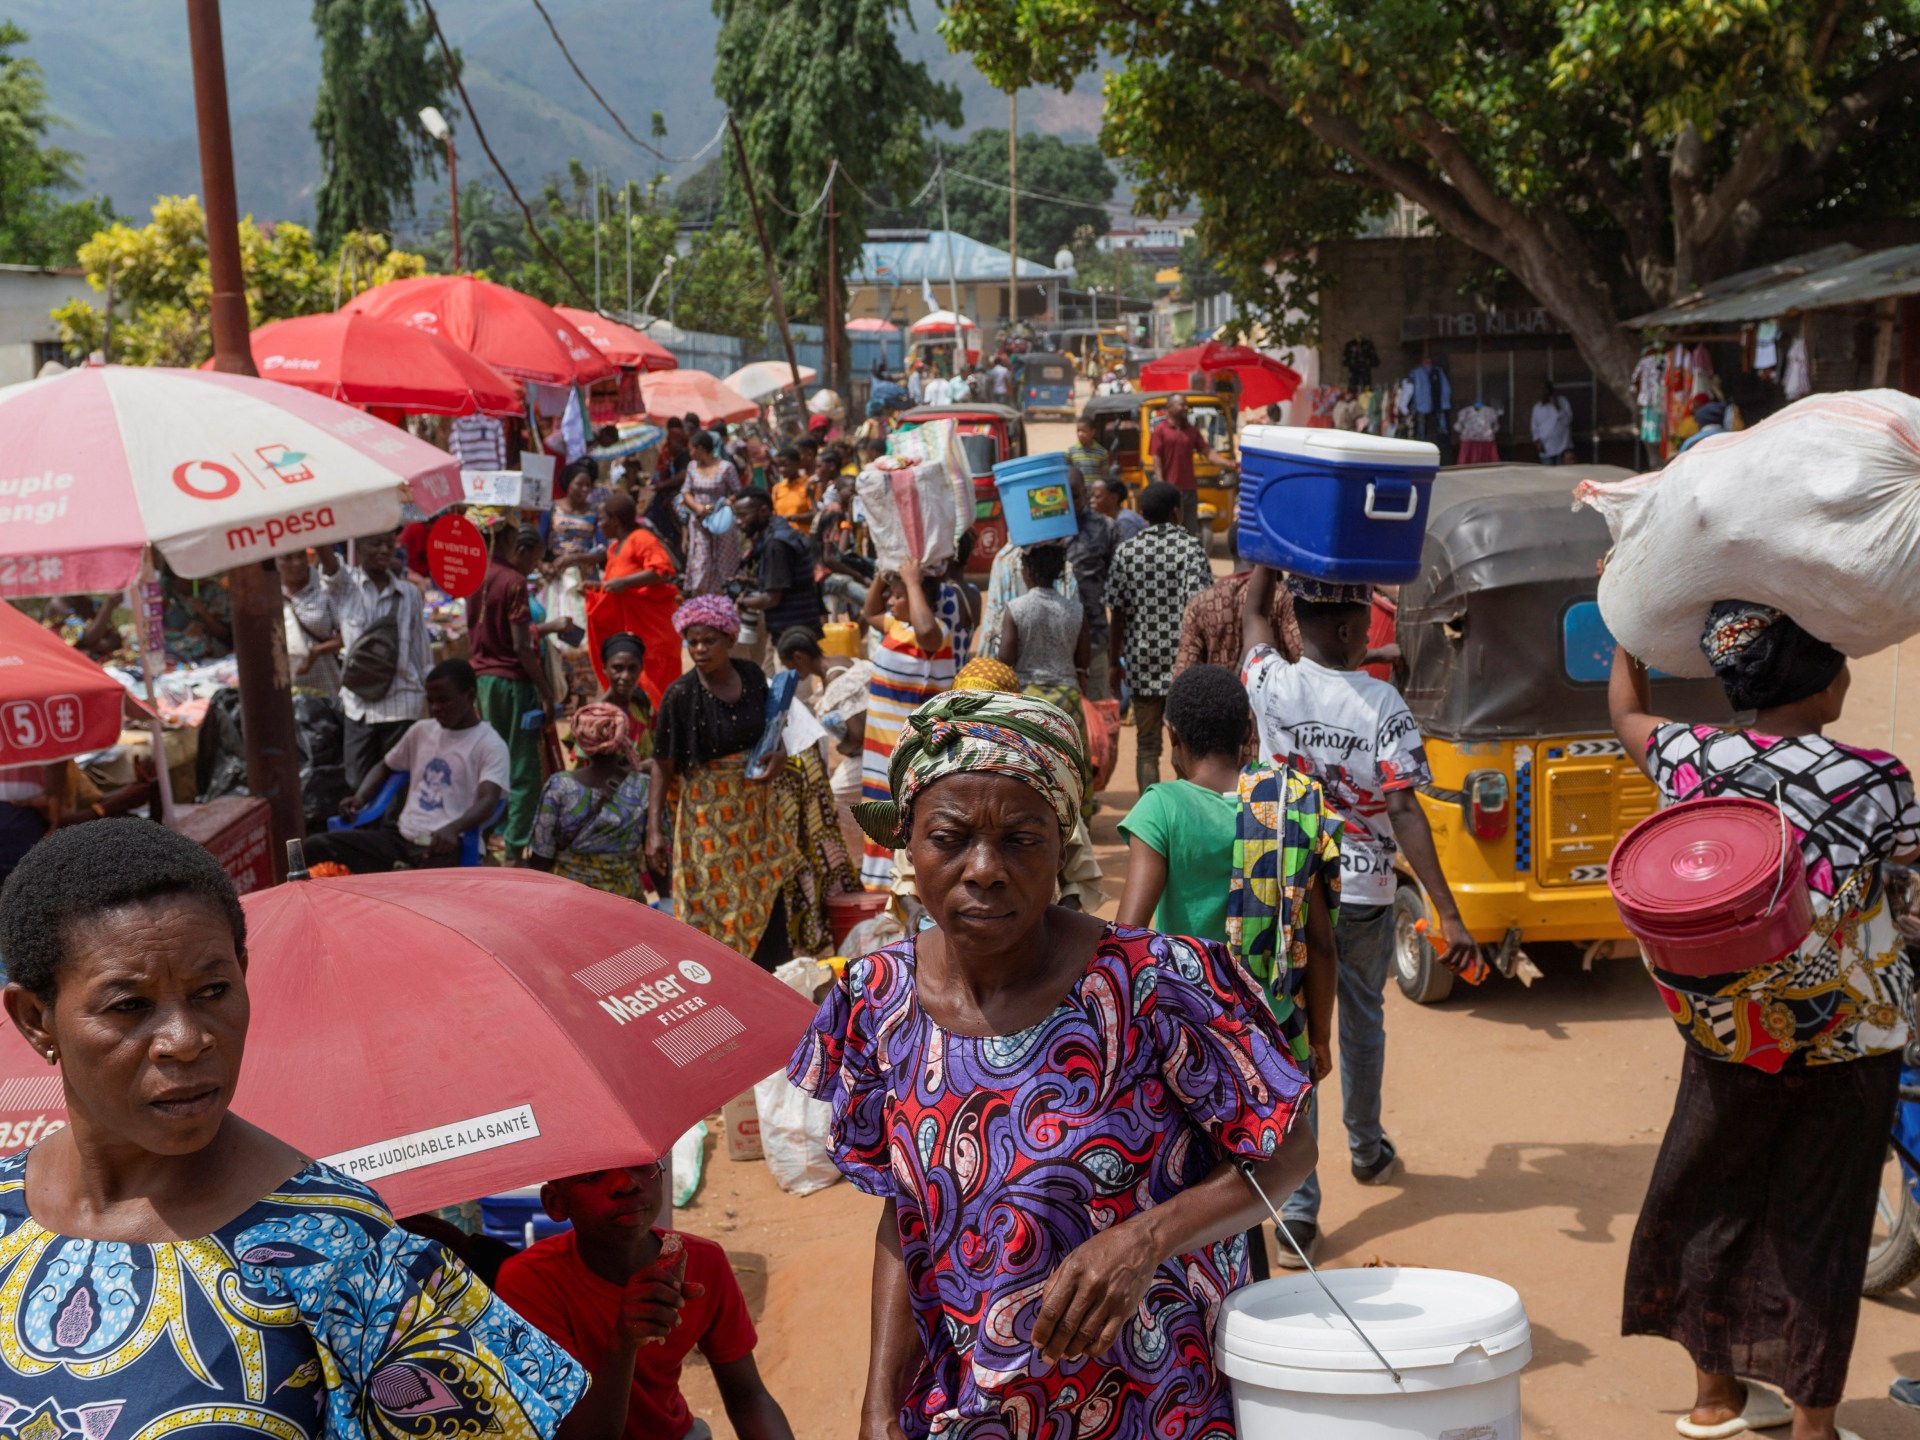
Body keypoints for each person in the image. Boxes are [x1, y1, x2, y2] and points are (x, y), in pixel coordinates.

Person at [791, 689, 1317, 1439]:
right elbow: (903, 1214)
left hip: (1154, 1405)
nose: (985, 870)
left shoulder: (1154, 984)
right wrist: (879, 1405)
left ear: (1062, 842)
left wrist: (1148, 1237)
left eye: (1021, 840)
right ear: (907, 841)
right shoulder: (877, 1001)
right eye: (951, 838)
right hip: (972, 1409)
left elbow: (1290, 1148)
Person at [0, 819, 587, 1435]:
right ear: (36, 1019)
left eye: (213, 990)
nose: (187, 1039)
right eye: (129, 1005)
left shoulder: (344, 1251)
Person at [1611, 602, 1919, 1440]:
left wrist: (1630, 628)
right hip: (1847, 1037)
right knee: (1824, 1221)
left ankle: (1715, 1398)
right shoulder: (1875, 777)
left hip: (1729, 1030)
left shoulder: (1692, 755)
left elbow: (1627, 713)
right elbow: (1910, 871)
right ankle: (1813, 1425)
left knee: (1716, 1198)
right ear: (1820, 681)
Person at [1241, 567, 1476, 1265]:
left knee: (1294, 1043)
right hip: (1363, 893)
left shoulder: (1268, 682)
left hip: (1283, 889)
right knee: (1361, 1017)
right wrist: (1447, 910)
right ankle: (1367, 1150)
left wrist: (1270, 551)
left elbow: (1254, 608)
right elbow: (1403, 810)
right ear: (1348, 630)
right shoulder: (1383, 704)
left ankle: (1299, 1214)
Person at [495, 1161, 794, 1440]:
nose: (626, 1183)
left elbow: (749, 1397)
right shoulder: (528, 1282)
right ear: (555, 1203)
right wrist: (624, 1342)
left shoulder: (703, 1262)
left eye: (640, 1164)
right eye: (593, 1175)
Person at [648, 595, 797, 967]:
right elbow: (662, 766)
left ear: (730, 640)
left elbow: (773, 732)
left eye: (708, 640)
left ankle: (770, 981)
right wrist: (654, 830)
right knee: (713, 901)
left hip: (755, 815)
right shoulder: (680, 695)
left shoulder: (750, 676)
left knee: (762, 895)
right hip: (707, 824)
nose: (699, 649)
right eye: (693, 641)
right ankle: (721, 983)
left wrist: (778, 756)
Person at [301, 659, 509, 873]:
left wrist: (453, 829)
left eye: (444, 700)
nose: (436, 708)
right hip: (400, 839)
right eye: (431, 701)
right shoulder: (421, 731)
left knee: (425, 890)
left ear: (470, 696)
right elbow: (386, 766)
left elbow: (489, 799)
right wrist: (360, 798)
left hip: (448, 844)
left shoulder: (489, 744)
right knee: (314, 847)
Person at [1107, 481, 1216, 795]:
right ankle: (1185, 816)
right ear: (1177, 512)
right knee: (1185, 746)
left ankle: (1150, 818)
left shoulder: (1127, 551)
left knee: (1147, 746)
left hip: (1141, 662)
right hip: (1184, 662)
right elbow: (1201, 608)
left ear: (1143, 515)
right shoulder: (1190, 548)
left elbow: (1118, 615)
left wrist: (1115, 663)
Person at [858, 557, 954, 887]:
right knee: (882, 818)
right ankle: (884, 891)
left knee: (904, 820)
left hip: (907, 752)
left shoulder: (935, 633)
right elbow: (868, 613)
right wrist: (882, 573)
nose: (890, 600)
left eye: (897, 595)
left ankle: (902, 894)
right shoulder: (897, 627)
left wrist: (911, 581)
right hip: (879, 750)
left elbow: (926, 630)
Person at [470, 522, 557, 863]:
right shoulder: (513, 581)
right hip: (513, 684)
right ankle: (514, 850)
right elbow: (522, 646)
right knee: (522, 768)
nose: (534, 567)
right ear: (513, 545)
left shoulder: (475, 576)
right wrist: (546, 691)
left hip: (482, 683)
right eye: (534, 560)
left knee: (493, 761)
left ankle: (485, 838)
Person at [320, 531, 433, 789]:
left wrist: (430, 697)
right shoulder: (347, 587)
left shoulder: (409, 595)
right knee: (358, 788)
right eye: (375, 544)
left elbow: (421, 651)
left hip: (402, 704)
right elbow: (327, 559)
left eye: (388, 544)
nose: (383, 550)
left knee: (398, 790)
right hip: (359, 708)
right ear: (358, 547)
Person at [529, 701, 653, 900]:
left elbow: (542, 853)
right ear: (622, 736)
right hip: (626, 899)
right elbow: (656, 854)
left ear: (581, 740)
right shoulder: (644, 786)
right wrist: (664, 898)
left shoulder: (560, 786)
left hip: (571, 899)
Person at [779, 627, 873, 865]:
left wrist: (843, 749)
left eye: (789, 665)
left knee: (835, 797)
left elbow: (857, 734)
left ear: (799, 658)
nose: (790, 672)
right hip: (878, 743)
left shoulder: (836, 684)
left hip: (867, 753)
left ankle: (858, 859)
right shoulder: (841, 661)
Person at [585, 491, 681, 710]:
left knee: (660, 698)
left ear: (615, 521)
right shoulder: (614, 548)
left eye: (602, 519)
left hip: (655, 635)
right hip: (635, 635)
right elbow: (618, 586)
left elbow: (662, 570)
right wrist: (597, 588)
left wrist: (625, 583)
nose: (599, 524)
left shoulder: (641, 538)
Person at [999, 542, 1090, 756]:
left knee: (1029, 766)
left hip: (1027, 701)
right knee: (1071, 766)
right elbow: (1084, 660)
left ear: (1029, 571)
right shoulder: (1076, 611)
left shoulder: (1016, 609)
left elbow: (1004, 658)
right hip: (1067, 702)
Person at [733, 488, 824, 644]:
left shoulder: (776, 544)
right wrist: (752, 583)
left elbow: (771, 599)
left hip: (792, 632)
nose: (738, 521)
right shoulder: (778, 532)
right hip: (793, 627)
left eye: (743, 515)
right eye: (737, 516)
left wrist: (739, 602)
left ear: (763, 511)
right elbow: (787, 582)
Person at [1175, 568, 1303, 679]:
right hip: (1270, 704)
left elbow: (1183, 678)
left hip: (1218, 705)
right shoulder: (1284, 600)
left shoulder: (1199, 604)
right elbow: (1304, 662)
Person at [1064, 470, 1117, 698]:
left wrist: (1116, 652)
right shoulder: (1045, 531)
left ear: (1085, 493)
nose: (1070, 502)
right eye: (1064, 496)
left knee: (1098, 720)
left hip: (1095, 641)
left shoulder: (1105, 528)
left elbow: (1118, 587)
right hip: (1057, 649)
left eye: (1075, 496)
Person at [1149, 394, 1232, 539]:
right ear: (1169, 408)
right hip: (1170, 490)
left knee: (1189, 531)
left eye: (1186, 405)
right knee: (1169, 531)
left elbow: (1208, 452)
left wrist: (1229, 463)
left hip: (1189, 490)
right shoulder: (1160, 430)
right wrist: (1161, 485)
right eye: (1181, 405)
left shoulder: (1192, 431)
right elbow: (1156, 459)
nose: (1185, 408)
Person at [680, 430, 743, 597]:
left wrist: (721, 506)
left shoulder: (725, 468)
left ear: (700, 448)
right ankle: (702, 602)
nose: (690, 453)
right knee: (701, 562)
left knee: (724, 564)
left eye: (692, 449)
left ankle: (724, 601)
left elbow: (737, 492)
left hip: (721, 522)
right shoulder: (692, 467)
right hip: (700, 523)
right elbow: (685, 492)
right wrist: (698, 507)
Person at [280, 547, 341, 698]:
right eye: (287, 558)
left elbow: (346, 635)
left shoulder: (325, 588)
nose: (296, 563)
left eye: (301, 556)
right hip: (287, 690)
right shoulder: (268, 594)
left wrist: (317, 652)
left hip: (325, 688)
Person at [591, 632, 655, 763]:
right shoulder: (593, 715)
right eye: (617, 668)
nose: (625, 676)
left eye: (632, 668)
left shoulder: (642, 704)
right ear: (604, 668)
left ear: (641, 669)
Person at [768, 445, 815, 533]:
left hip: (804, 535)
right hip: (784, 537)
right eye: (779, 466)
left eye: (786, 465)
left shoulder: (808, 484)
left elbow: (816, 514)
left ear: (797, 464)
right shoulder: (777, 488)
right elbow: (774, 514)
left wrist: (791, 518)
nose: (782, 469)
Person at [1530, 380, 1574, 464]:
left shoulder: (1563, 401)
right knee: (1548, 476)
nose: (1544, 393)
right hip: (1546, 450)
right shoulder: (1537, 408)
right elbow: (1534, 428)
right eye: (1541, 390)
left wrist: (1556, 405)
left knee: (1562, 475)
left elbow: (1568, 421)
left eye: (1546, 390)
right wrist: (1538, 443)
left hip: (1563, 448)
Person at [1093, 471, 1146, 541]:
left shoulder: (1125, 521)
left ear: (1113, 498)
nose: (1092, 500)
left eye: (1097, 497)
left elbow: (1129, 549)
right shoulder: (1112, 520)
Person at [1065, 416, 1110, 487]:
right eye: (1078, 431)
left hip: (1094, 494)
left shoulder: (1101, 452)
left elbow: (1104, 475)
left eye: (1084, 431)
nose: (1080, 434)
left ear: (1093, 432)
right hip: (1078, 495)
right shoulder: (1071, 452)